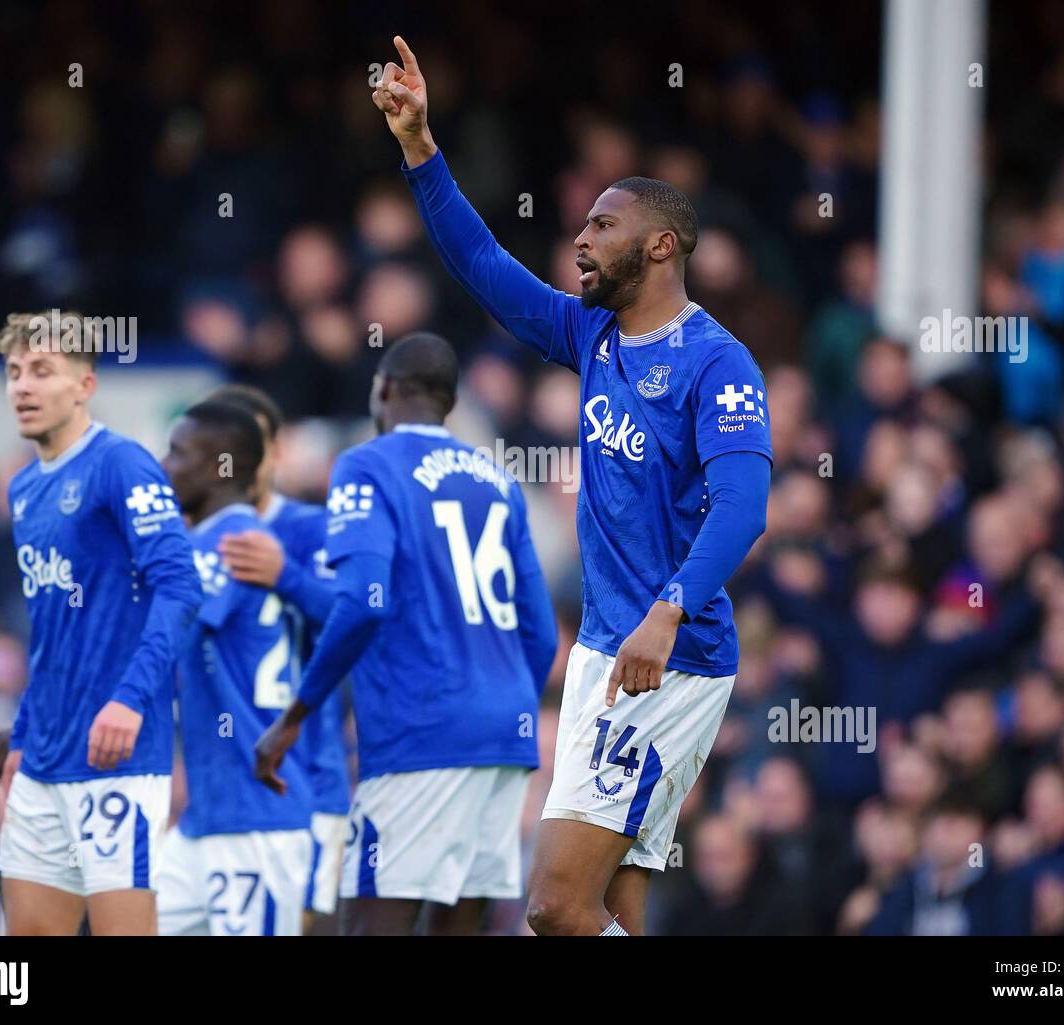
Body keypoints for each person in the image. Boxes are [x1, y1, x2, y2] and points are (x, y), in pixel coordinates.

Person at [370, 37, 772, 936]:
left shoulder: (718, 362)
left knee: (551, 904)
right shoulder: (589, 335)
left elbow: (745, 505)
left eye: (603, 226)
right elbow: (483, 267)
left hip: (670, 654)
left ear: (661, 244)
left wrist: (668, 610)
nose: (582, 240)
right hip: (607, 651)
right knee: (608, 906)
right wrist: (421, 150)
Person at [254, 332, 557, 935]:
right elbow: (542, 633)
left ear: (385, 389)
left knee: (372, 923)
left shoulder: (366, 463)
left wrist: (294, 714)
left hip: (423, 731)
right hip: (504, 731)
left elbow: (364, 604)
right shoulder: (496, 480)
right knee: (459, 925)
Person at [0, 311, 202, 935]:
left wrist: (131, 700)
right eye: (13, 372)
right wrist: (24, 730)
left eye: (42, 371)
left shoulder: (122, 465)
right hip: (46, 753)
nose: (22, 387)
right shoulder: (24, 490)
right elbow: (50, 632)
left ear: (84, 385)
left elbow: (180, 584)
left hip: (118, 757)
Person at [155, 400, 319, 936]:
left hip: (257, 821)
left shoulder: (226, 544)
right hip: (208, 815)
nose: (164, 463)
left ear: (218, 465)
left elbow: (159, 632)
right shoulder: (240, 540)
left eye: (178, 451)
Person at [206, 384, 351, 931]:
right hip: (216, 791)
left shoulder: (317, 529)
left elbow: (356, 623)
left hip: (305, 778)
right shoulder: (192, 540)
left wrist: (286, 577)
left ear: (277, 451)